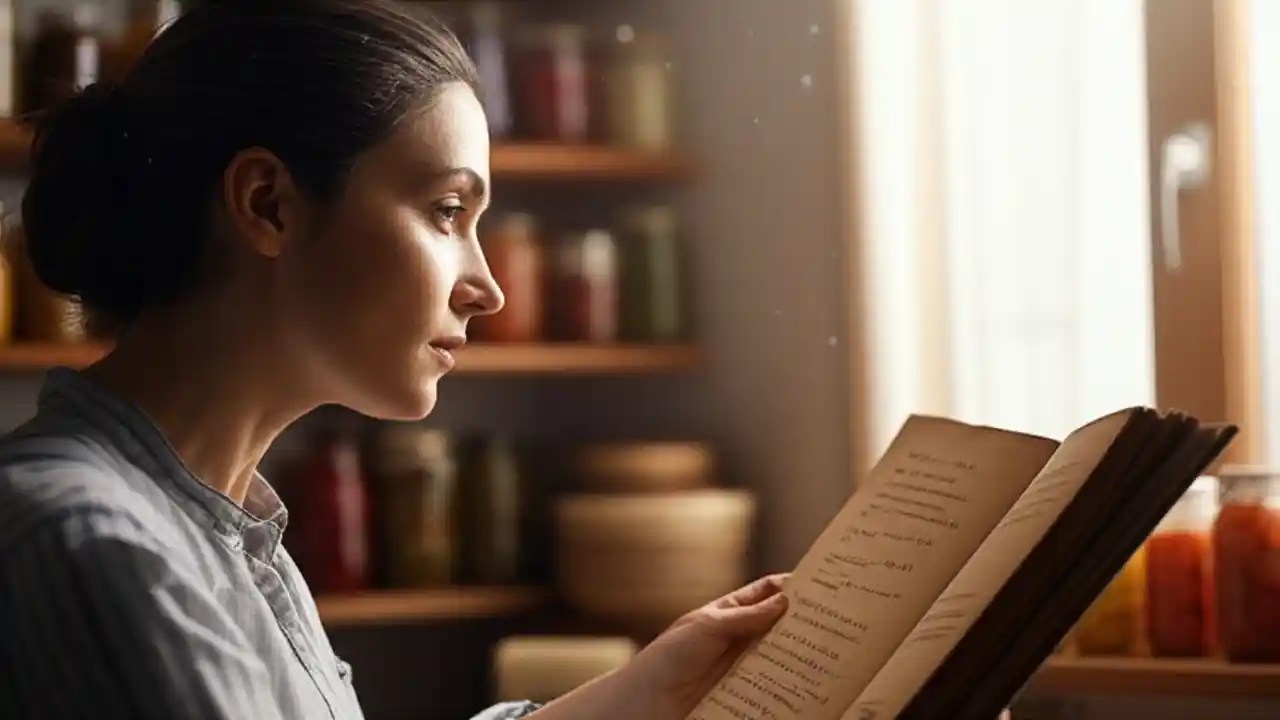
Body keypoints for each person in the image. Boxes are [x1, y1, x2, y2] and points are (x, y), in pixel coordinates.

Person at [0, 1, 792, 718]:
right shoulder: (98, 547)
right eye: (448, 210)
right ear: (267, 204)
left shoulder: (213, 530)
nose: (488, 289)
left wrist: (650, 692)